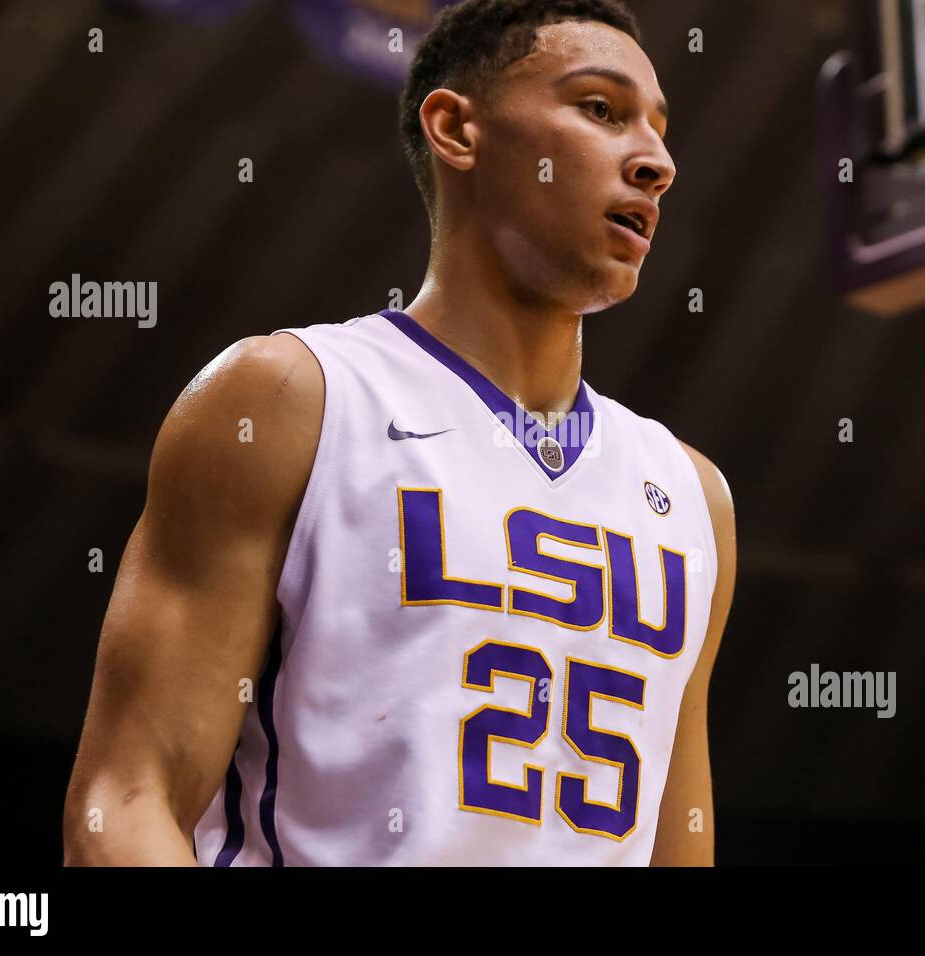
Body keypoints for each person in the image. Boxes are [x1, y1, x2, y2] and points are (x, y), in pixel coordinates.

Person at [63, 0, 736, 866]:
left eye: (660, 128)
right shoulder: (289, 397)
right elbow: (124, 801)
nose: (657, 162)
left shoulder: (691, 496)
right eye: (602, 110)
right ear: (457, 128)